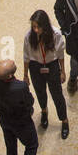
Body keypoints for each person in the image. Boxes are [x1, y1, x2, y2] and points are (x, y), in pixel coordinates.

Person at [24, 9, 69, 138]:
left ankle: (64, 119)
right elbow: (26, 56)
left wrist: (63, 71)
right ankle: (44, 110)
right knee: (40, 91)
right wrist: (25, 75)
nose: (36, 30)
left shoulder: (56, 34)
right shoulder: (29, 36)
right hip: (35, 66)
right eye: (33, 27)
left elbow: (60, 54)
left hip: (52, 65)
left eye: (38, 27)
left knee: (57, 94)